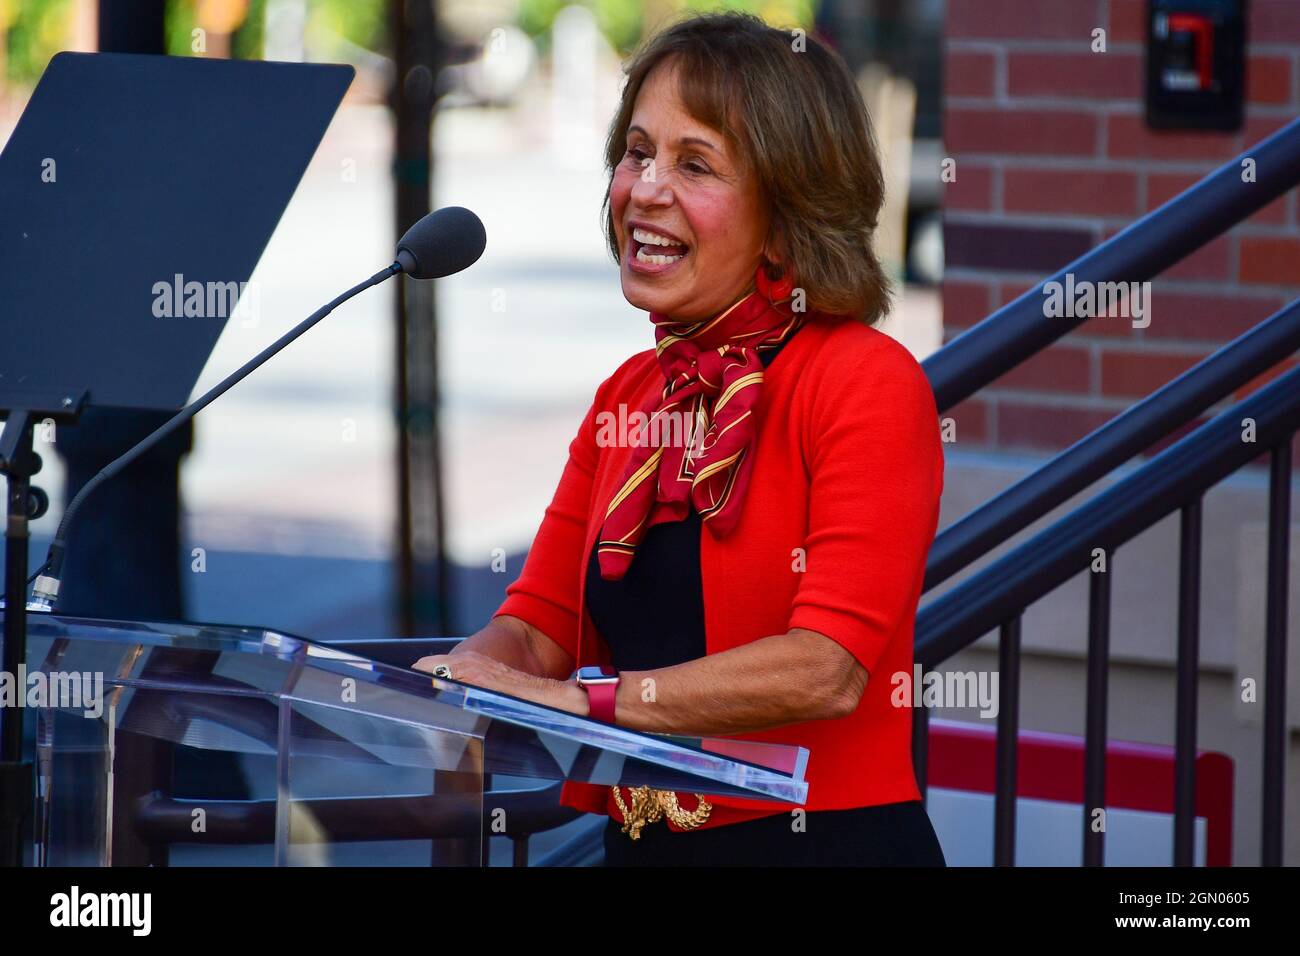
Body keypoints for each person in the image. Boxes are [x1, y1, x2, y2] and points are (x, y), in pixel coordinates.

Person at [415, 11, 945, 866]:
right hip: (639, 845)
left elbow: (825, 669)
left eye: (693, 163)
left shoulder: (865, 381)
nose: (643, 189)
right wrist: (463, 679)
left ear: (788, 211)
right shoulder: (628, 396)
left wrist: (575, 703)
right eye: (636, 152)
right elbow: (539, 626)